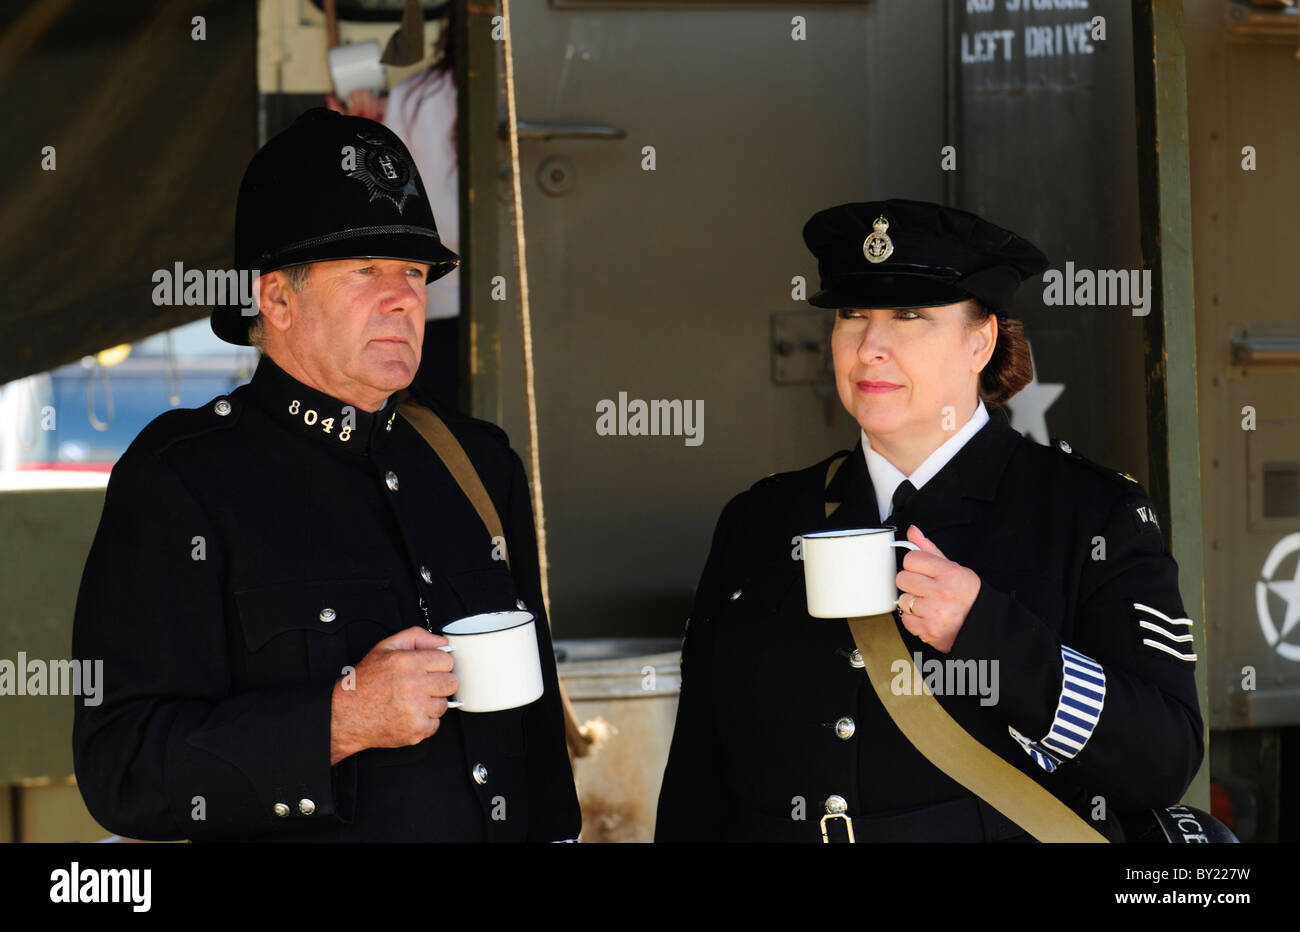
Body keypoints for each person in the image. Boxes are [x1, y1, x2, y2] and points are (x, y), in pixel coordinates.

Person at [71, 108, 580, 842]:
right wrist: (338, 721)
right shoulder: (182, 480)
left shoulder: (478, 462)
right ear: (276, 297)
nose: (404, 297)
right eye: (366, 270)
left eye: (412, 271)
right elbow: (123, 771)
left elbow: (536, 745)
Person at [655, 199, 1204, 842]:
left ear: (981, 340)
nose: (870, 348)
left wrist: (990, 636)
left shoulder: (1091, 515)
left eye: (910, 316)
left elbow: (1162, 762)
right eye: (852, 316)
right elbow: (699, 782)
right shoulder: (759, 520)